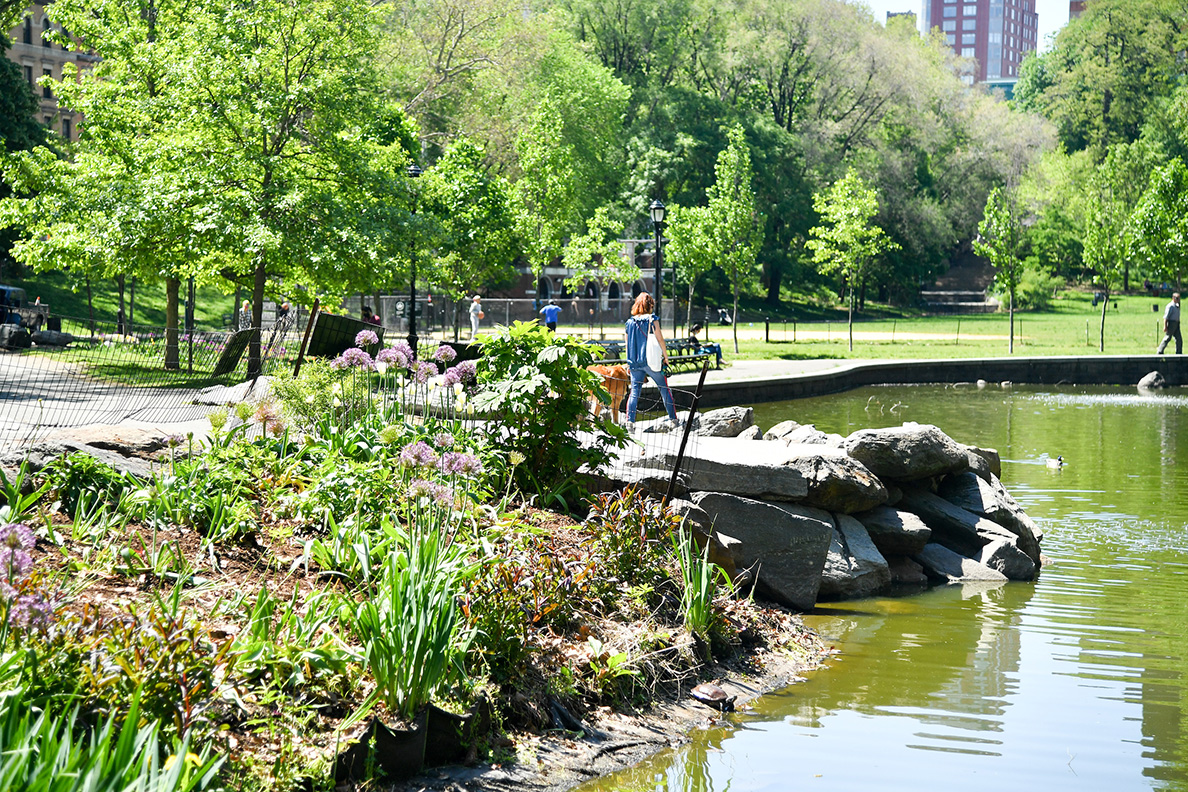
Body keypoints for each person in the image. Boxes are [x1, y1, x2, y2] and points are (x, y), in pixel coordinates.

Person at [624, 292, 679, 432]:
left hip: (635, 363)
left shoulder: (629, 323)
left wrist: (629, 363)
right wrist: (665, 357)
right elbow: (660, 339)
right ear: (650, 305)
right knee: (664, 388)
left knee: (634, 392)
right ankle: (673, 419)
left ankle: (630, 422)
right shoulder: (652, 320)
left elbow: (626, 344)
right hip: (651, 361)